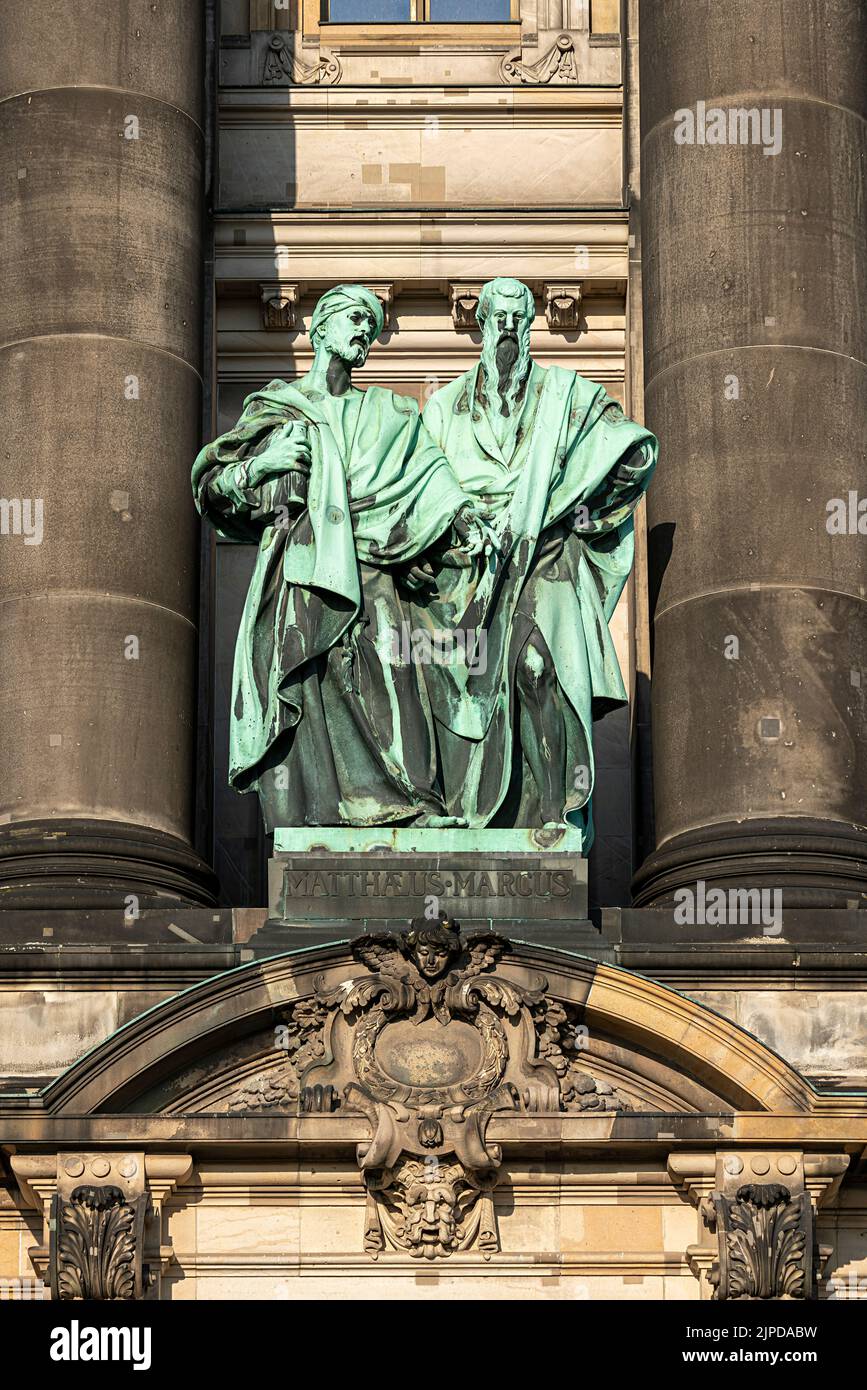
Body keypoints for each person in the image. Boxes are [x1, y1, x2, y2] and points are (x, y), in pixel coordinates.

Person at [192, 284, 492, 830]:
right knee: (308, 680)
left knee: (396, 669)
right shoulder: (277, 408)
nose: (363, 333)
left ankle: (413, 802)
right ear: (320, 327)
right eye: (355, 319)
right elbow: (214, 491)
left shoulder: (390, 412)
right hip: (301, 570)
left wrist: (462, 519)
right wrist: (264, 464)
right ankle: (323, 819)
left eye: (372, 328)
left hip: (377, 568)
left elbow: (432, 480)